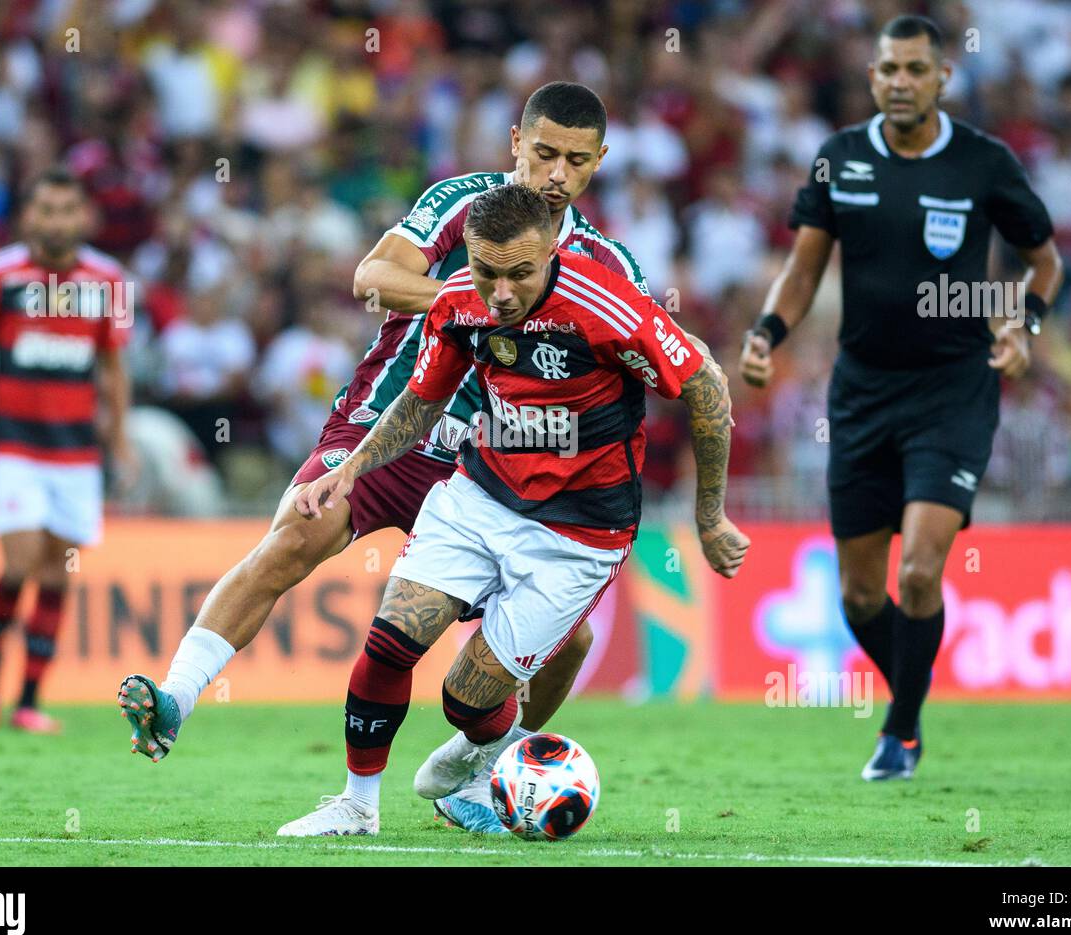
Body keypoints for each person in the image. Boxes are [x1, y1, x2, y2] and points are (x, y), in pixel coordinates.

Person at [117, 82, 723, 833]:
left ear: (600, 161)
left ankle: (480, 768)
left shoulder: (606, 262)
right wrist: (485, 297)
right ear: (515, 144)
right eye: (542, 153)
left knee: (573, 643)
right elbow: (372, 278)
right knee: (299, 531)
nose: (555, 173)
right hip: (394, 421)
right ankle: (177, 697)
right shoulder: (465, 205)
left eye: (574, 160)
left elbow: (658, 365)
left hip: (500, 462)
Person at [273, 183, 746, 836]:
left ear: (552, 251)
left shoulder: (608, 307)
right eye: (487, 271)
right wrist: (351, 469)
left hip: (581, 529)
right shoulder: (460, 303)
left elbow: (705, 386)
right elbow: (419, 403)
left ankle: (484, 752)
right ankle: (356, 804)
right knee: (389, 644)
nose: (501, 292)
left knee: (466, 698)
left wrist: (710, 515)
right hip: (481, 496)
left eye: (520, 274)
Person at [738, 15, 1063, 780]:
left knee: (918, 572)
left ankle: (901, 727)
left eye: (916, 69)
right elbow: (805, 266)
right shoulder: (839, 159)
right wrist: (766, 331)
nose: (900, 81)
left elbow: (1044, 263)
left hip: (953, 390)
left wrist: (1024, 328)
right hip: (861, 394)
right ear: (874, 76)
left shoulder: (983, 164)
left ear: (943, 77)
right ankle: (911, 690)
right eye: (888, 69)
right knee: (859, 594)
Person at [0, 166, 135, 732]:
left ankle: (28, 702)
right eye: (46, 209)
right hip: (14, 445)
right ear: (28, 215)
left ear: (84, 217)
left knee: (58, 573)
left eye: (68, 209)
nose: (57, 220)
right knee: (20, 561)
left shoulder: (109, 281)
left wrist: (122, 437)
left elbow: (114, 367)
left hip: (77, 453)